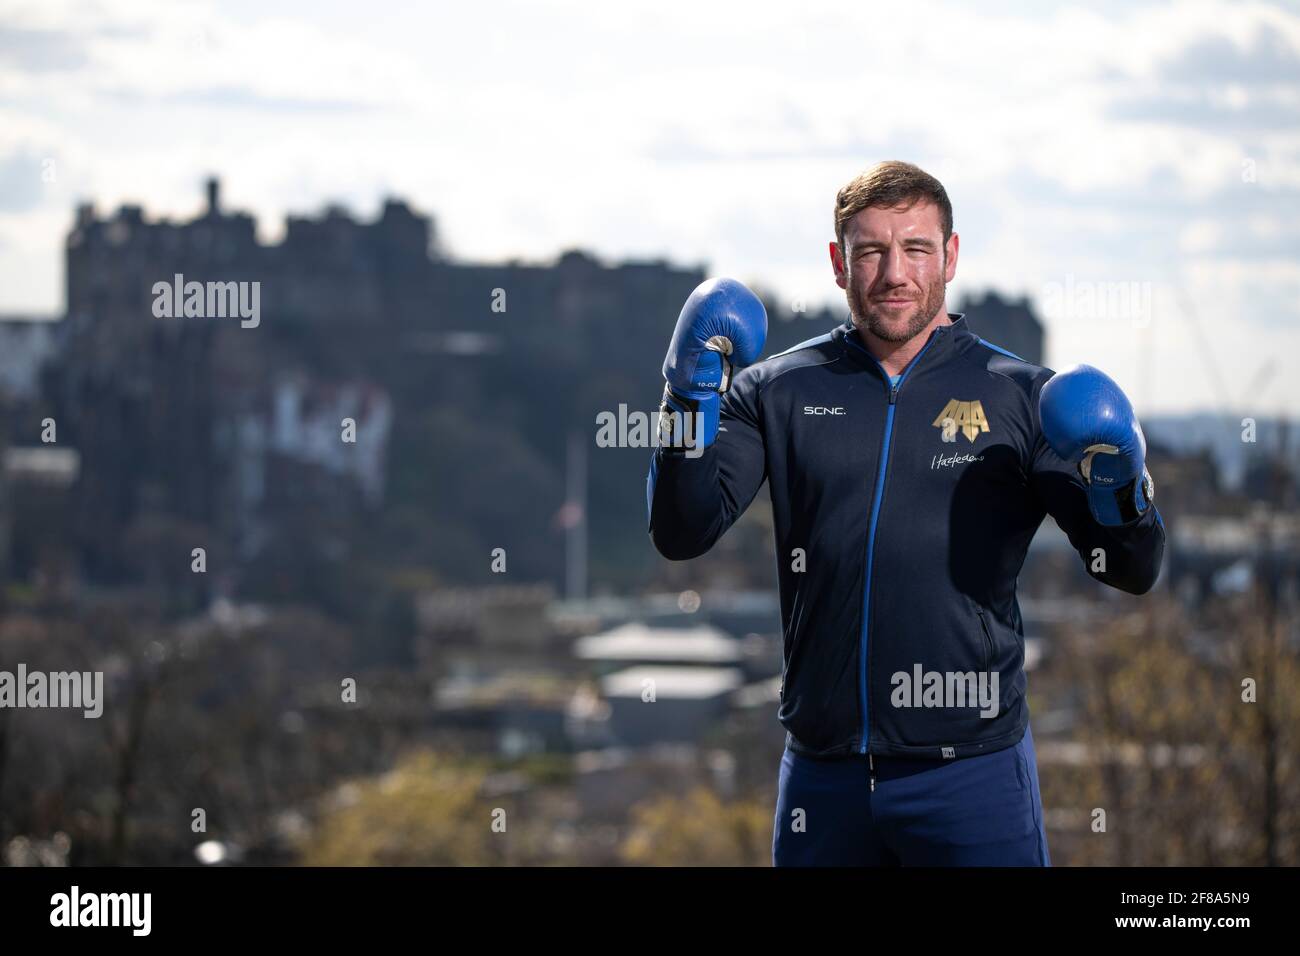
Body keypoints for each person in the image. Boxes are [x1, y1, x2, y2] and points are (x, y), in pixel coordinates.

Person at [646, 160, 1165, 866]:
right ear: (839, 263)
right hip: (823, 778)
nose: (895, 273)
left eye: (916, 248)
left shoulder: (1023, 398)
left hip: (973, 774)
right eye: (871, 251)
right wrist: (685, 401)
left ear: (949, 255)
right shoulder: (777, 391)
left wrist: (1121, 484)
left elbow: (1133, 570)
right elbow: (681, 530)